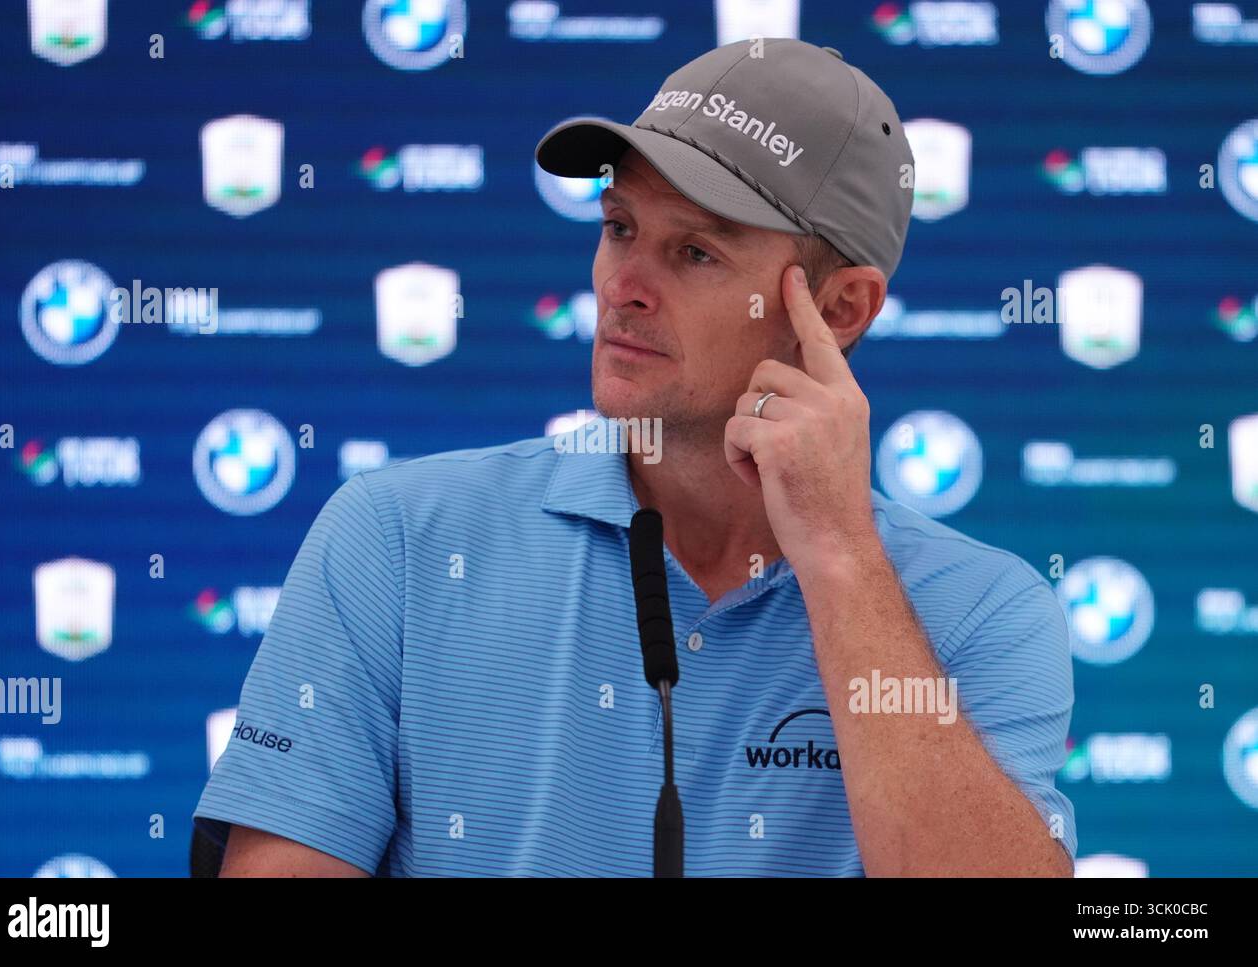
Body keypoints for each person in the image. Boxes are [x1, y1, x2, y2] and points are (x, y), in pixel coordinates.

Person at [194, 38, 1076, 877]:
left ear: (840, 310)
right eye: (619, 227)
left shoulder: (983, 613)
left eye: (694, 252)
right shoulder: (397, 539)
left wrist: (841, 558)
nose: (623, 288)